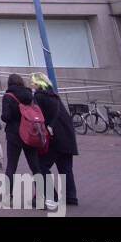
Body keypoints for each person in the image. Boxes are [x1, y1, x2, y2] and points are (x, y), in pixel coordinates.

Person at [32, 72, 79, 206]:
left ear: (38, 83)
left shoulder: (39, 96)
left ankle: (51, 196)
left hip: (54, 137)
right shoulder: (54, 95)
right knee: (65, 168)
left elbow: (38, 118)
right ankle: (71, 197)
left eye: (33, 83)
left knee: (41, 165)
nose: (32, 85)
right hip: (67, 135)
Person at [1, 73, 42, 200]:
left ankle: (8, 194)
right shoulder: (30, 95)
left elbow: (6, 116)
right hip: (30, 133)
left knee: (12, 165)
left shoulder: (8, 96)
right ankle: (40, 194)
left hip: (14, 134)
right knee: (35, 166)